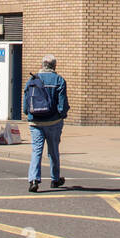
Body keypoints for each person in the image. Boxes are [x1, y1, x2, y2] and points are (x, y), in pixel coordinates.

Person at [23, 57, 70, 192]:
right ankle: (55, 179)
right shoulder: (59, 80)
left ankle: (33, 180)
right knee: (53, 150)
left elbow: (26, 102)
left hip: (35, 121)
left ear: (42, 65)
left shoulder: (32, 79)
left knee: (36, 151)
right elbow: (62, 103)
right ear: (54, 66)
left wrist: (27, 113)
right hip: (53, 121)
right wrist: (62, 114)